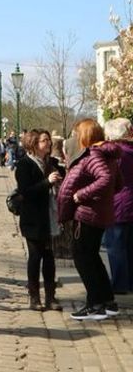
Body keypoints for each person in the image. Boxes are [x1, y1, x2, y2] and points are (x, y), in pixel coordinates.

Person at [57, 118, 122, 320]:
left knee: (83, 259)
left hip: (87, 214)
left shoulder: (94, 154)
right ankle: (107, 301)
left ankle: (95, 304)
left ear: (85, 135)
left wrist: (82, 194)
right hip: (98, 213)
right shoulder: (107, 154)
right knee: (92, 258)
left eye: (77, 134)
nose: (75, 137)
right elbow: (117, 183)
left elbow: (106, 179)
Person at [15, 129, 64, 311]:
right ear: (34, 144)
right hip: (33, 218)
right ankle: (34, 297)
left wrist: (61, 177)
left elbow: (64, 179)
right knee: (35, 257)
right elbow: (26, 192)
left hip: (50, 216)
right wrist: (47, 182)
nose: (48, 143)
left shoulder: (52, 163)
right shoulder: (24, 165)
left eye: (49, 140)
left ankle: (51, 297)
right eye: (44, 141)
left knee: (49, 258)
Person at [103, 118, 133, 295]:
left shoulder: (117, 154)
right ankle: (129, 282)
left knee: (116, 246)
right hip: (128, 202)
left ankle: (120, 283)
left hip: (118, 203)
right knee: (129, 246)